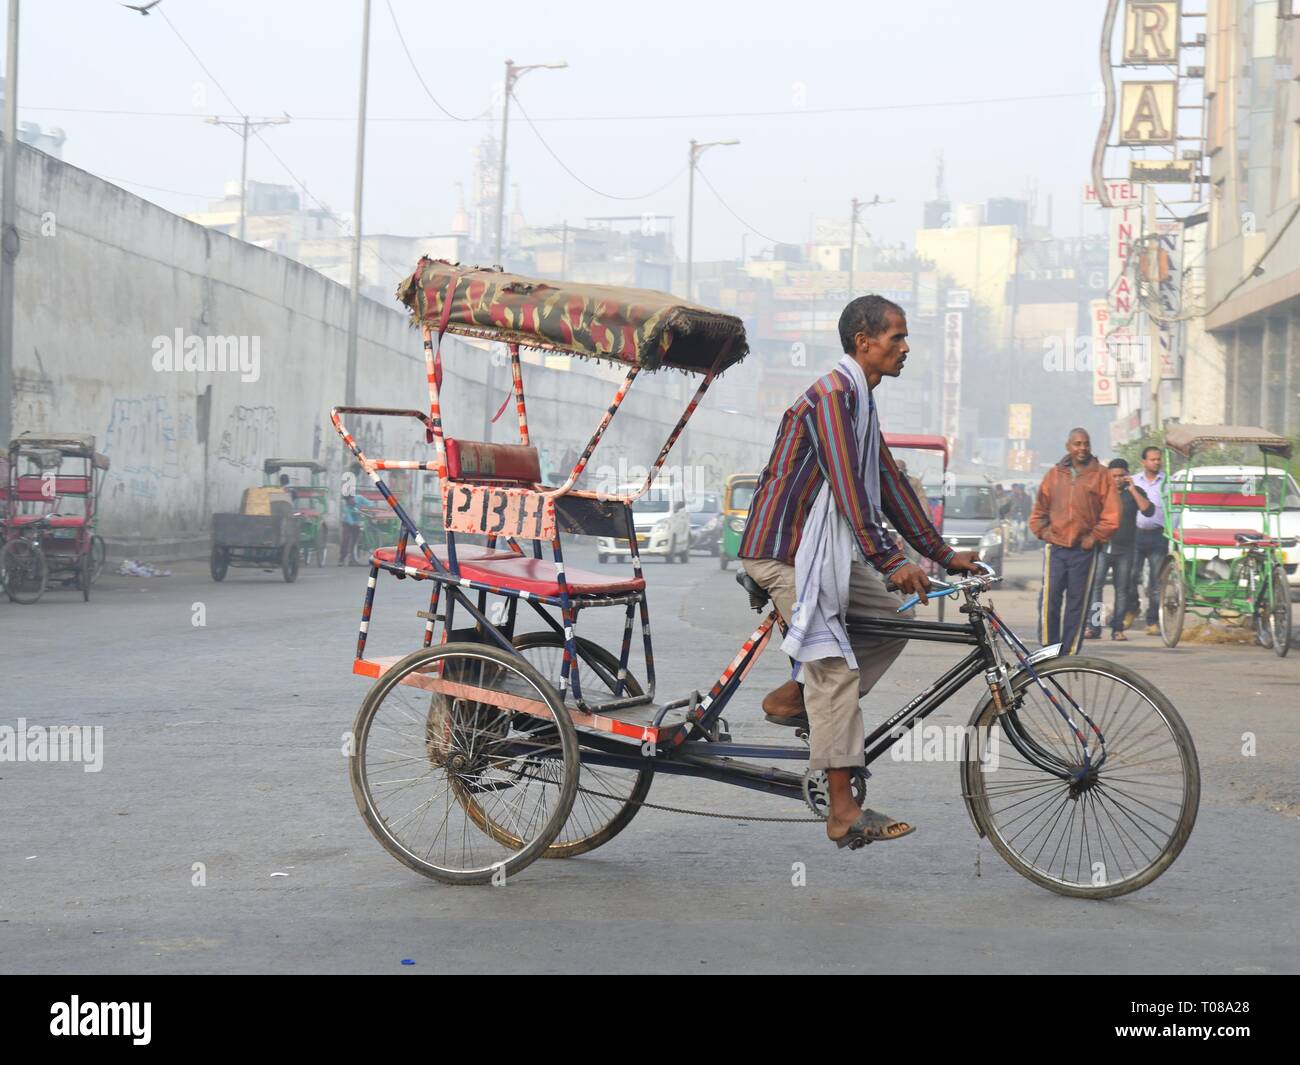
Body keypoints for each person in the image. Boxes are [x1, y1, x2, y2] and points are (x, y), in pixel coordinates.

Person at [740, 295, 983, 850]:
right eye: (896, 337)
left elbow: (889, 484)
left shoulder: (861, 404)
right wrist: (890, 560)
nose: (905, 348)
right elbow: (850, 488)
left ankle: (791, 700)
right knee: (835, 671)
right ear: (863, 343)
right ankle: (842, 811)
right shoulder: (833, 398)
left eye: (904, 337)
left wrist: (942, 555)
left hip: (819, 554)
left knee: (890, 619)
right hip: (784, 552)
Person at [1030, 428, 1120, 653]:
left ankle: (1069, 652)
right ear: (1068, 446)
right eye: (1077, 444)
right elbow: (1039, 511)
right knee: (1049, 600)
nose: (1082, 448)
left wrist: (1094, 537)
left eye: (1086, 444)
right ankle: (1048, 649)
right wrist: (1045, 533)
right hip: (1056, 547)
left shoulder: (1101, 475)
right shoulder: (1054, 475)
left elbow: (1112, 516)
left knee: (1076, 604)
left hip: (1084, 549)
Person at [1086, 458, 1155, 641]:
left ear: (1127, 476)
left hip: (1126, 550)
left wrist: (1132, 489)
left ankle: (1118, 628)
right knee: (1096, 588)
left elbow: (1148, 511)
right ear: (1108, 476)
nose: (1117, 479)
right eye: (1113, 476)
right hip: (1102, 548)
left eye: (1121, 476)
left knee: (1122, 590)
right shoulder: (1100, 493)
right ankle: (1093, 627)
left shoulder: (1135, 492)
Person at [1129, 445, 1167, 635]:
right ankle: (1132, 607)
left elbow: (1174, 508)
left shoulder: (1167, 482)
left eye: (1158, 459)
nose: (1157, 462)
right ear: (1144, 462)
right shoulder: (1133, 481)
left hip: (1159, 535)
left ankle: (1152, 620)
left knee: (1156, 581)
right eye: (1152, 459)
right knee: (1130, 576)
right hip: (1135, 535)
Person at [339, 492, 362, 566]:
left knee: (357, 541)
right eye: (349, 499)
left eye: (352, 498)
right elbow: (348, 517)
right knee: (345, 539)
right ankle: (342, 558)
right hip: (347, 524)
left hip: (357, 523)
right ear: (347, 501)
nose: (351, 501)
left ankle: (353, 559)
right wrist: (353, 523)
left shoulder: (358, 500)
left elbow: (368, 505)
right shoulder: (345, 506)